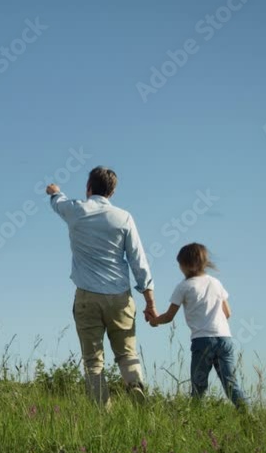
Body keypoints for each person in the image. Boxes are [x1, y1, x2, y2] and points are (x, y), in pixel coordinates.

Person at [46, 166, 156, 407]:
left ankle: (102, 410)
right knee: (127, 354)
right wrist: (149, 300)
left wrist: (54, 192)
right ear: (112, 191)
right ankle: (135, 386)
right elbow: (138, 260)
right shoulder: (124, 217)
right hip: (119, 296)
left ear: (88, 188)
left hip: (87, 296)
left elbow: (59, 202)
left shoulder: (76, 210)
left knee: (93, 361)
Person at [149, 242, 248, 409]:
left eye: (179, 264)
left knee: (199, 387)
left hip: (202, 341)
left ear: (186, 265)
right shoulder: (216, 283)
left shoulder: (184, 287)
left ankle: (197, 424)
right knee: (231, 385)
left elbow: (168, 316)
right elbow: (228, 313)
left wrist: (154, 321)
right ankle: (249, 418)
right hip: (225, 339)